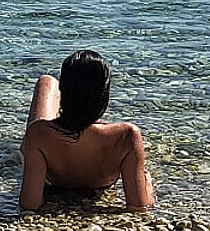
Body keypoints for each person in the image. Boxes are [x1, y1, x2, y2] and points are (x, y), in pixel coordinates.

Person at [19, 50, 155, 212]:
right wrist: (147, 183)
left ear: (64, 91)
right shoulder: (126, 135)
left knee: (46, 81)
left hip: (56, 177)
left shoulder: (38, 132)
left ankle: (70, 112)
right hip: (101, 181)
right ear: (105, 95)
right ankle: (85, 114)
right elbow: (139, 206)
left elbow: (30, 204)